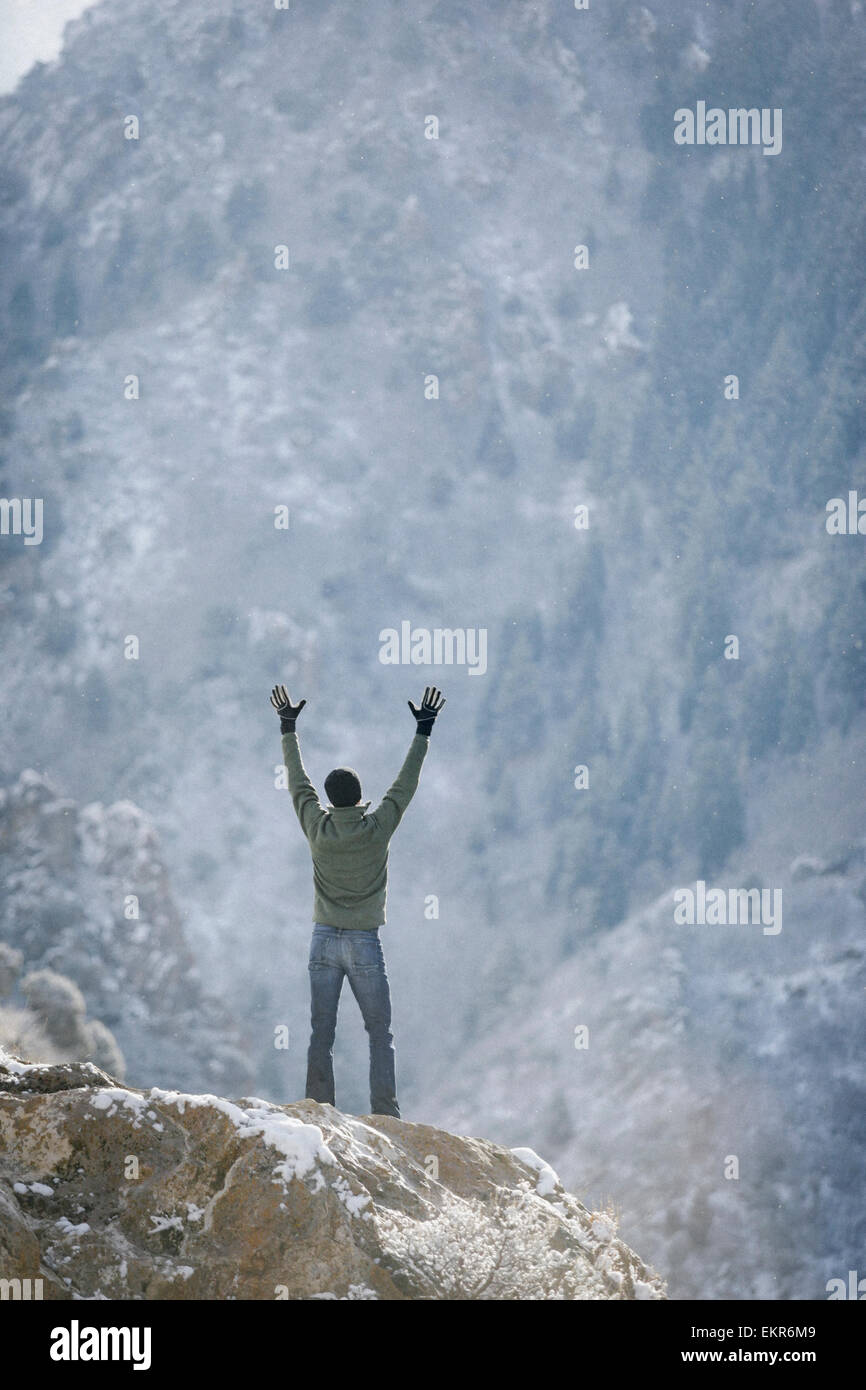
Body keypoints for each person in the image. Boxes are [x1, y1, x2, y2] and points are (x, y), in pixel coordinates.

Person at [270, 683, 446, 1117]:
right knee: (379, 1032)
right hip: (365, 942)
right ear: (360, 796)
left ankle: (318, 1109)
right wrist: (423, 731)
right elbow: (404, 787)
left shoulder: (317, 826)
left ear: (328, 800)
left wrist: (287, 729)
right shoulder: (377, 828)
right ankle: (385, 1113)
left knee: (320, 1033)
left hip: (323, 940)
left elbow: (297, 784)